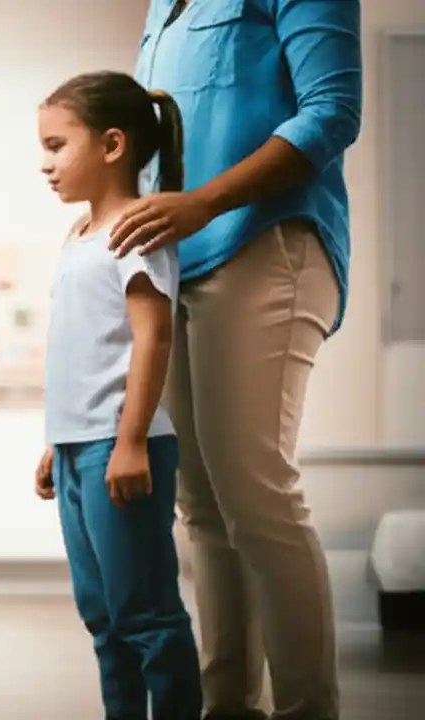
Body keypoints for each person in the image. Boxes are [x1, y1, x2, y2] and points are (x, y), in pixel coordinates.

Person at [111, 3, 362, 718]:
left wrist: (205, 202)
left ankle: (308, 708)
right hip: (176, 263)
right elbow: (158, 138)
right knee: (203, 509)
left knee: (257, 499)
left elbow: (332, 111)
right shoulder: (164, 6)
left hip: (266, 242)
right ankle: (227, 706)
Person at [34, 70, 202, 720]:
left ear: (111, 145)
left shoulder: (138, 228)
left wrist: (130, 441)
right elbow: (82, 347)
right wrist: (57, 439)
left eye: (56, 145)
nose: (44, 164)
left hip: (122, 448)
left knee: (148, 617)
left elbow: (152, 338)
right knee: (103, 617)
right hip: (79, 448)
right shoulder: (79, 237)